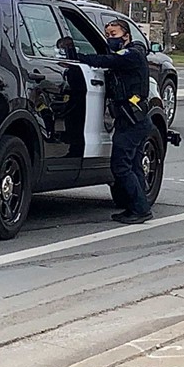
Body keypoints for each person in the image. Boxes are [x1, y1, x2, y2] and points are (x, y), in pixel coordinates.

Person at [58, 21, 153, 225]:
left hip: (132, 120)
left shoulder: (132, 54)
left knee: (120, 165)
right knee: (134, 164)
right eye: (107, 33)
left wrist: (78, 56)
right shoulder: (128, 55)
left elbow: (106, 60)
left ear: (126, 35)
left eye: (114, 33)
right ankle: (138, 207)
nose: (110, 37)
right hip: (132, 118)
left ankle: (140, 209)